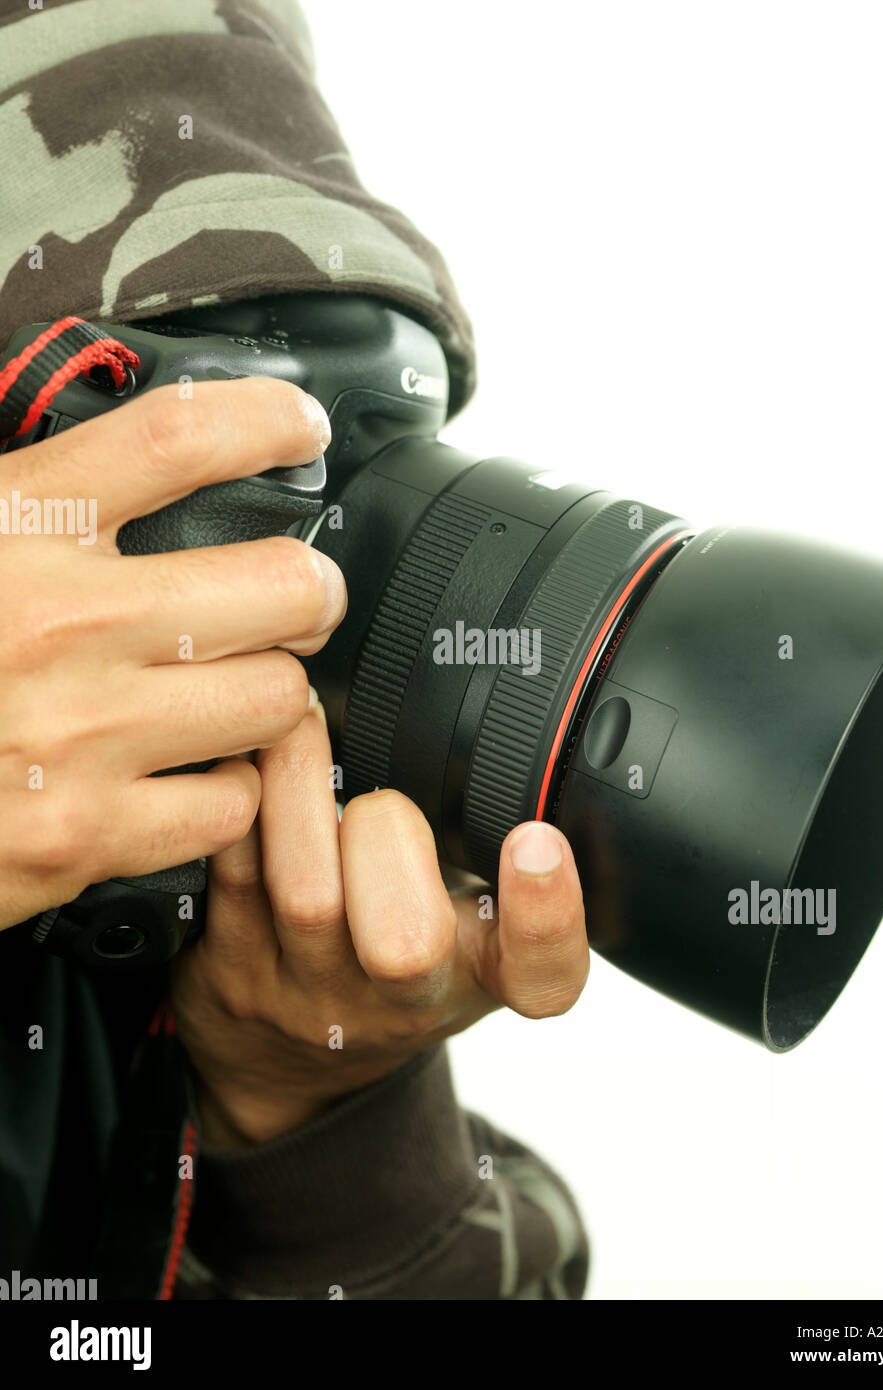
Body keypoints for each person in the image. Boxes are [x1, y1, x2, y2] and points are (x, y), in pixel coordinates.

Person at [0, 0, 591, 1298]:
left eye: (349, 440)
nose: (299, 584)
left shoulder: (160, 926)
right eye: (164, 414)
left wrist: (312, 1124)